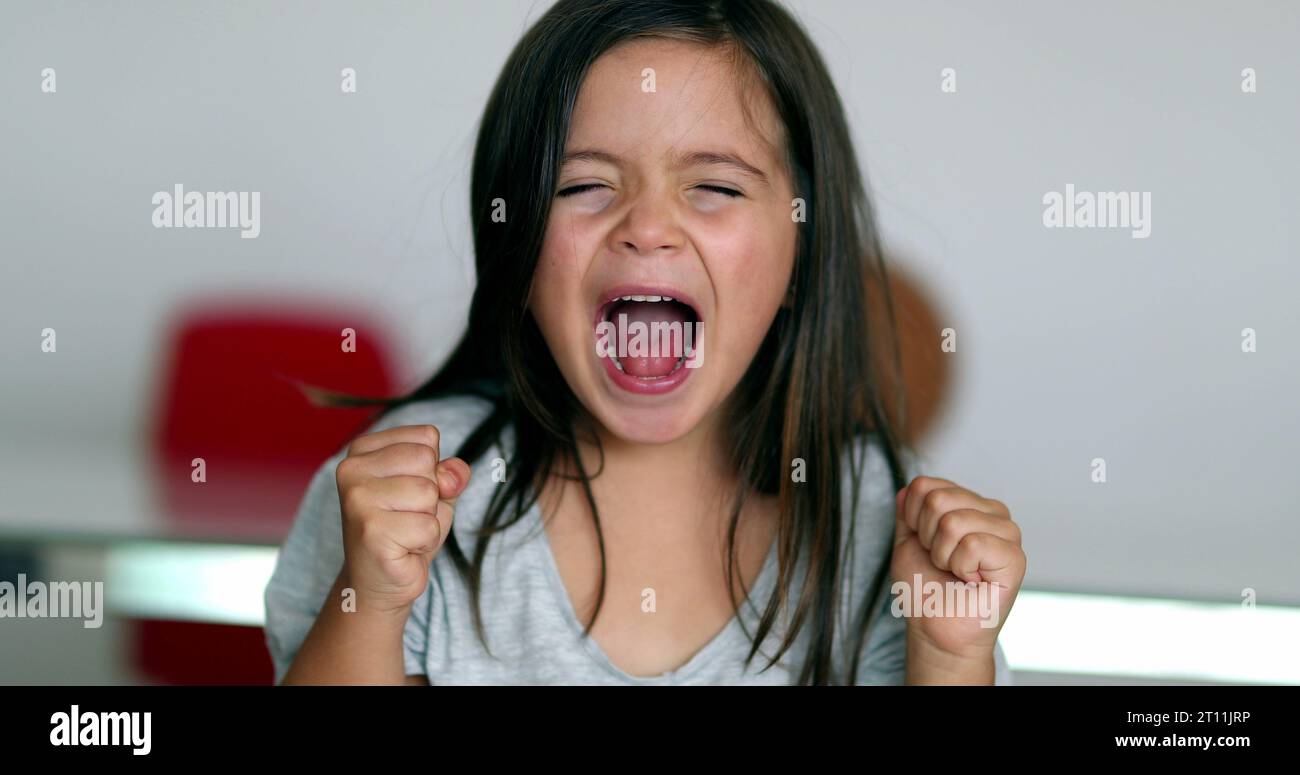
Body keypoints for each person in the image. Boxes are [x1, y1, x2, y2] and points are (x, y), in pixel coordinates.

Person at [266, 0, 1026, 685]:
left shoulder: (875, 518)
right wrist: (371, 597)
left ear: (802, 252)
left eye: (716, 187)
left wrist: (950, 656)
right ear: (520, 250)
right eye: (583, 186)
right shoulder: (408, 495)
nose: (648, 227)